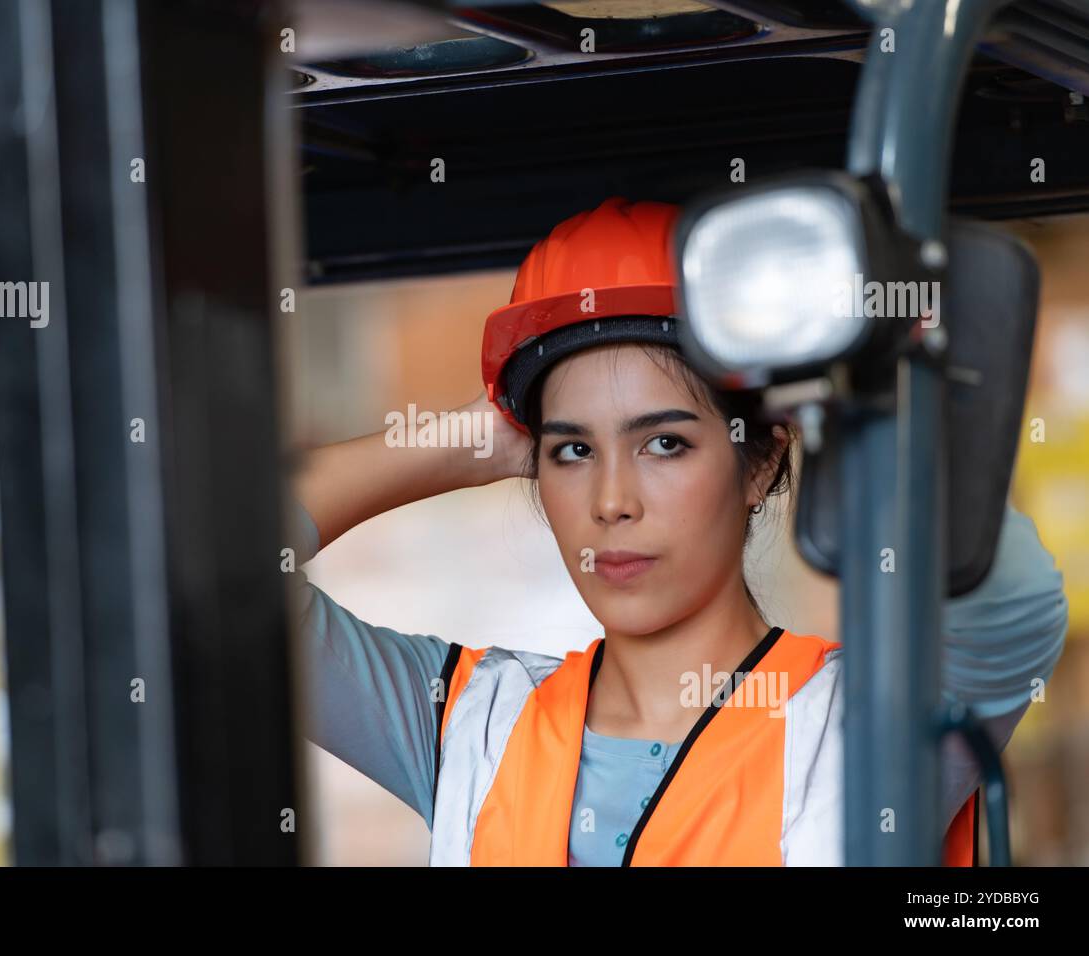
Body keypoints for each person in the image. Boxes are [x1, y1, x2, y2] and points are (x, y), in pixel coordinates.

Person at [290, 196, 1068, 866]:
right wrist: (472, 438)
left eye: (665, 443)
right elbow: (206, 568)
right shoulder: (466, 724)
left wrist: (843, 399)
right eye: (572, 451)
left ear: (762, 461)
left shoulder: (870, 728)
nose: (611, 501)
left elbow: (1017, 602)